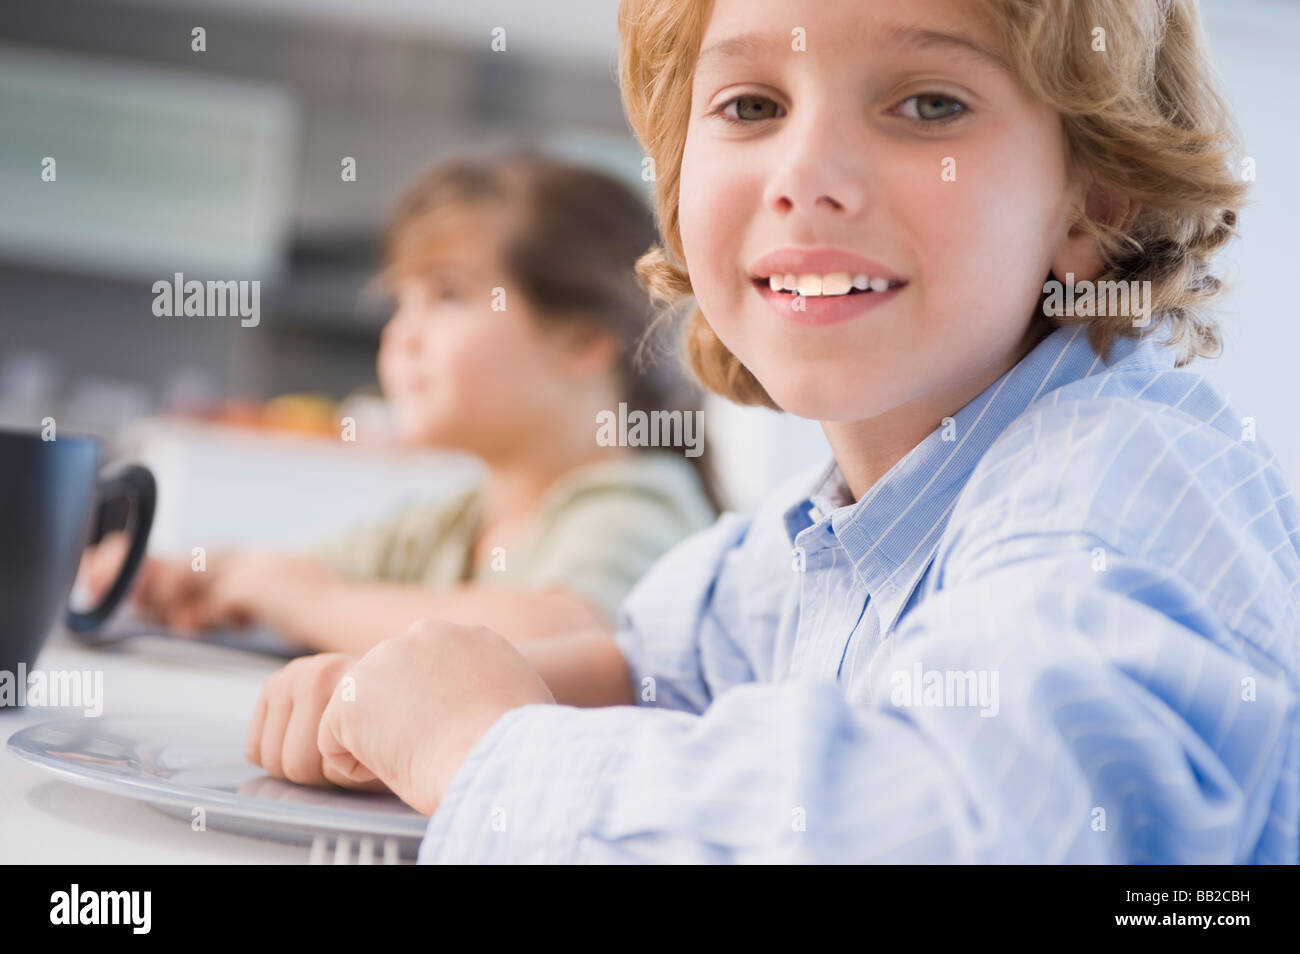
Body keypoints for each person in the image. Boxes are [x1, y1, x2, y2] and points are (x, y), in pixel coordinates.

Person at [244, 0, 1300, 863]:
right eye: (749, 104)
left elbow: (958, 830)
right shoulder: (826, 528)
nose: (805, 177)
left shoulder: (1121, 486)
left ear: (1091, 208)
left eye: (928, 104)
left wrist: (480, 745)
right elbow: (660, 665)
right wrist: (405, 696)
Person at [96, 150, 717, 653]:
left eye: (447, 295)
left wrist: (308, 602)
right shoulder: (452, 523)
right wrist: (193, 577)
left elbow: (567, 637)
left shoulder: (640, 504)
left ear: (583, 343)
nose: (402, 334)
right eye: (402, 301)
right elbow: (303, 570)